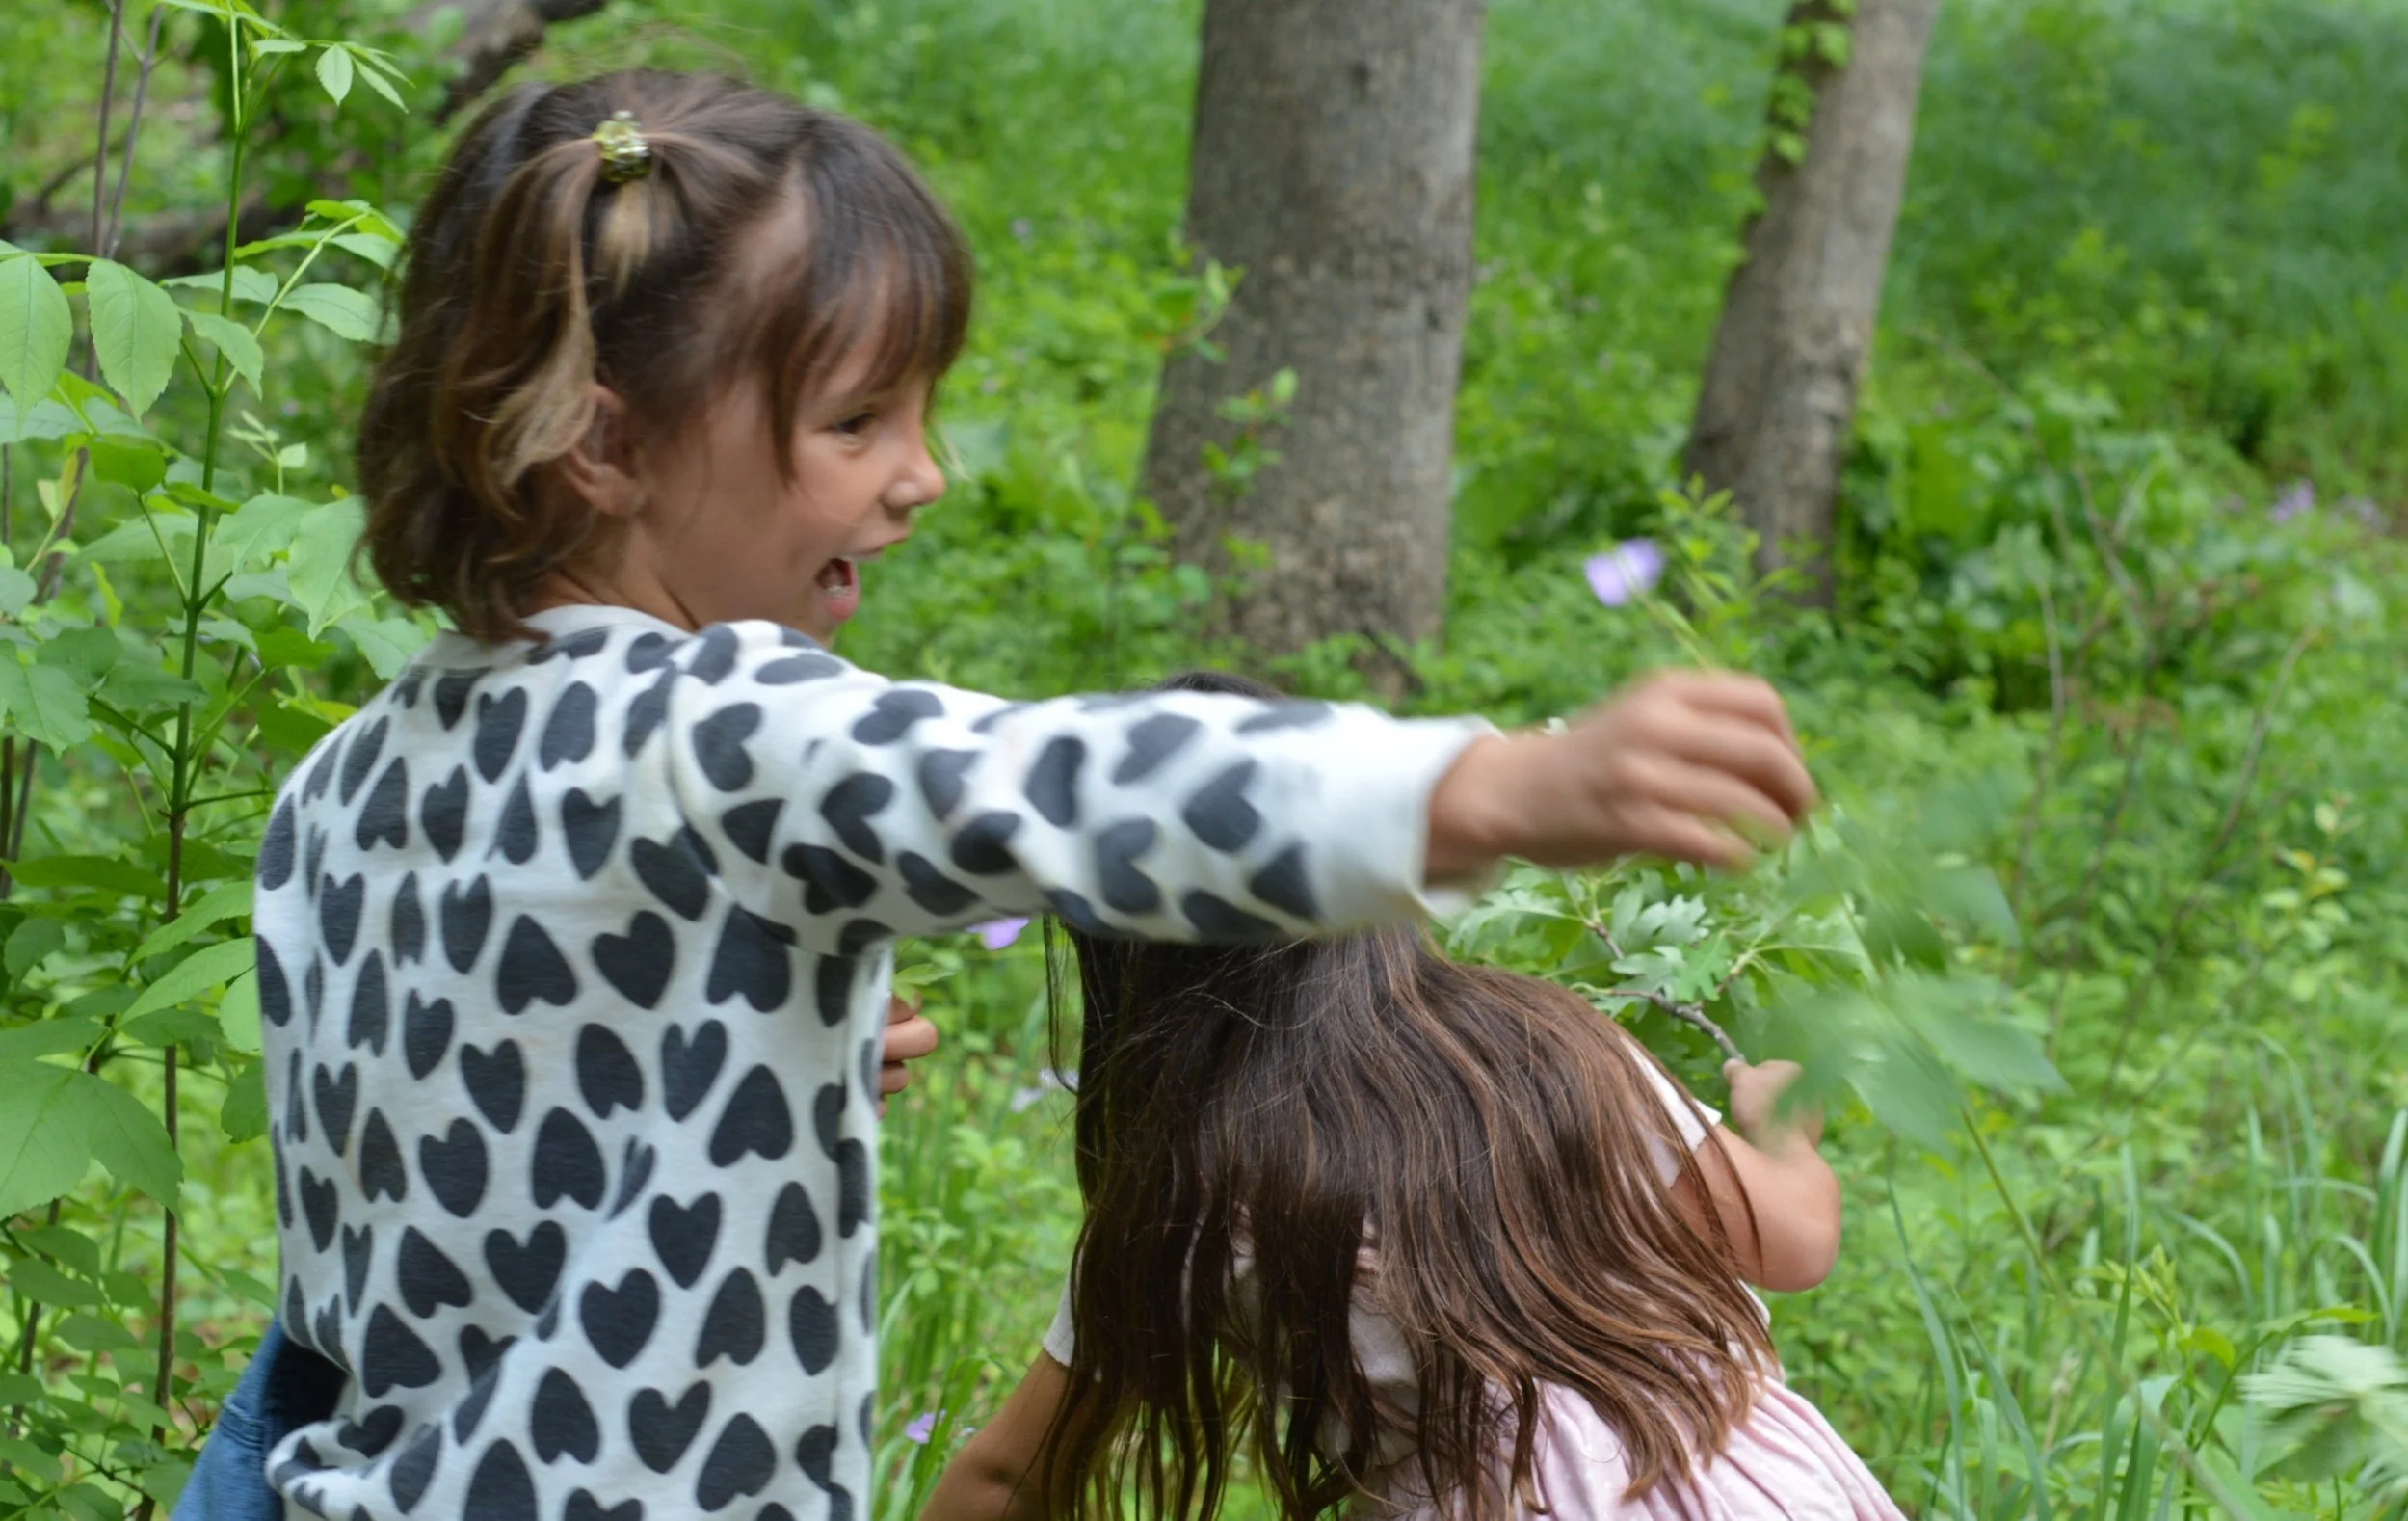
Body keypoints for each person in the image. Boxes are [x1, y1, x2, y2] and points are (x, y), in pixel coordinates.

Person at [220, 69, 1815, 1521]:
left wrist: (750, 1057)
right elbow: (1077, 787)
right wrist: (1488, 786)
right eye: (854, 421)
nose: (921, 473)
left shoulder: (343, 779)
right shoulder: (721, 718)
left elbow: (422, 1176)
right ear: (600, 444)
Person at [924, 695, 1898, 1519]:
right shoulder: (1546, 1040)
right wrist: (1780, 1124)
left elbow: (1011, 1475)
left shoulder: (1191, 1204)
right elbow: (1794, 1239)